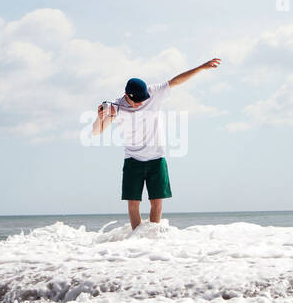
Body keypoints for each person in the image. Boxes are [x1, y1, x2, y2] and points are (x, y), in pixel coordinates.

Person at [92, 58, 222, 229]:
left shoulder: (153, 93)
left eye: (143, 99)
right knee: (133, 204)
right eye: (137, 101)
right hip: (132, 159)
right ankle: (137, 240)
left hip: (156, 158)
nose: (141, 103)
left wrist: (202, 67)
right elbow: (96, 131)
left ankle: (152, 240)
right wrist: (99, 118)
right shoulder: (117, 107)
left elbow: (176, 81)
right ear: (127, 96)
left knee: (157, 202)